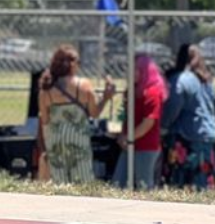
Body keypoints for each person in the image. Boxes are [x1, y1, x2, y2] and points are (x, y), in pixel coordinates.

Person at [37, 44, 116, 185]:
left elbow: (45, 121)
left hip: (55, 142)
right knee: (82, 185)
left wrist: (44, 149)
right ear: (73, 65)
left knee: (58, 185)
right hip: (78, 141)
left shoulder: (45, 91)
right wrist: (106, 97)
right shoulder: (83, 85)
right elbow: (95, 113)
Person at [162, 45, 215, 189]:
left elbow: (173, 108)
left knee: (182, 183)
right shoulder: (207, 80)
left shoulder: (181, 79)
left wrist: (163, 126)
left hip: (187, 137)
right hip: (207, 135)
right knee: (203, 183)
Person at [111, 54, 167, 190]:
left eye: (137, 69)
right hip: (129, 145)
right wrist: (121, 134)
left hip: (146, 147)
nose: (132, 73)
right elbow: (125, 115)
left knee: (144, 186)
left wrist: (128, 138)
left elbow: (148, 122)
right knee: (118, 183)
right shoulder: (133, 91)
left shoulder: (153, 92)